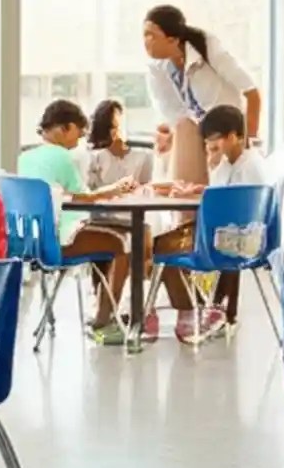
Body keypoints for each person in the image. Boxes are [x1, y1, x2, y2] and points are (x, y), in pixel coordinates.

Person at [17, 100, 137, 345]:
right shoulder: (61, 157)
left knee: (106, 239)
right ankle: (105, 319)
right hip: (58, 241)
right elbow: (85, 196)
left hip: (32, 244)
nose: (78, 142)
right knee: (122, 244)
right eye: (77, 134)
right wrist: (115, 188)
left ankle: (103, 313)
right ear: (64, 128)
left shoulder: (25, 158)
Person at [156, 105, 269, 339]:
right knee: (160, 246)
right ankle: (202, 306)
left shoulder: (250, 167)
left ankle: (192, 308)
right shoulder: (230, 163)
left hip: (232, 239)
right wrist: (196, 190)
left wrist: (199, 195)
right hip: (221, 232)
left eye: (215, 143)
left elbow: (239, 207)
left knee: (160, 248)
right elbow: (217, 192)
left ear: (234, 136)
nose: (210, 148)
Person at [143, 5, 261, 194]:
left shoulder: (208, 47)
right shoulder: (156, 68)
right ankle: (184, 219)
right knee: (180, 180)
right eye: (144, 35)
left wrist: (247, 143)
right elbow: (172, 114)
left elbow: (251, 92)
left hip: (225, 130)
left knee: (226, 186)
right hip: (199, 131)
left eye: (152, 35)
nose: (146, 41)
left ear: (172, 39)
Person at [86, 99, 153, 190]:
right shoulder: (95, 158)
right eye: (112, 127)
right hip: (104, 202)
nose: (117, 131)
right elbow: (89, 192)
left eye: (118, 125)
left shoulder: (144, 156)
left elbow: (149, 189)